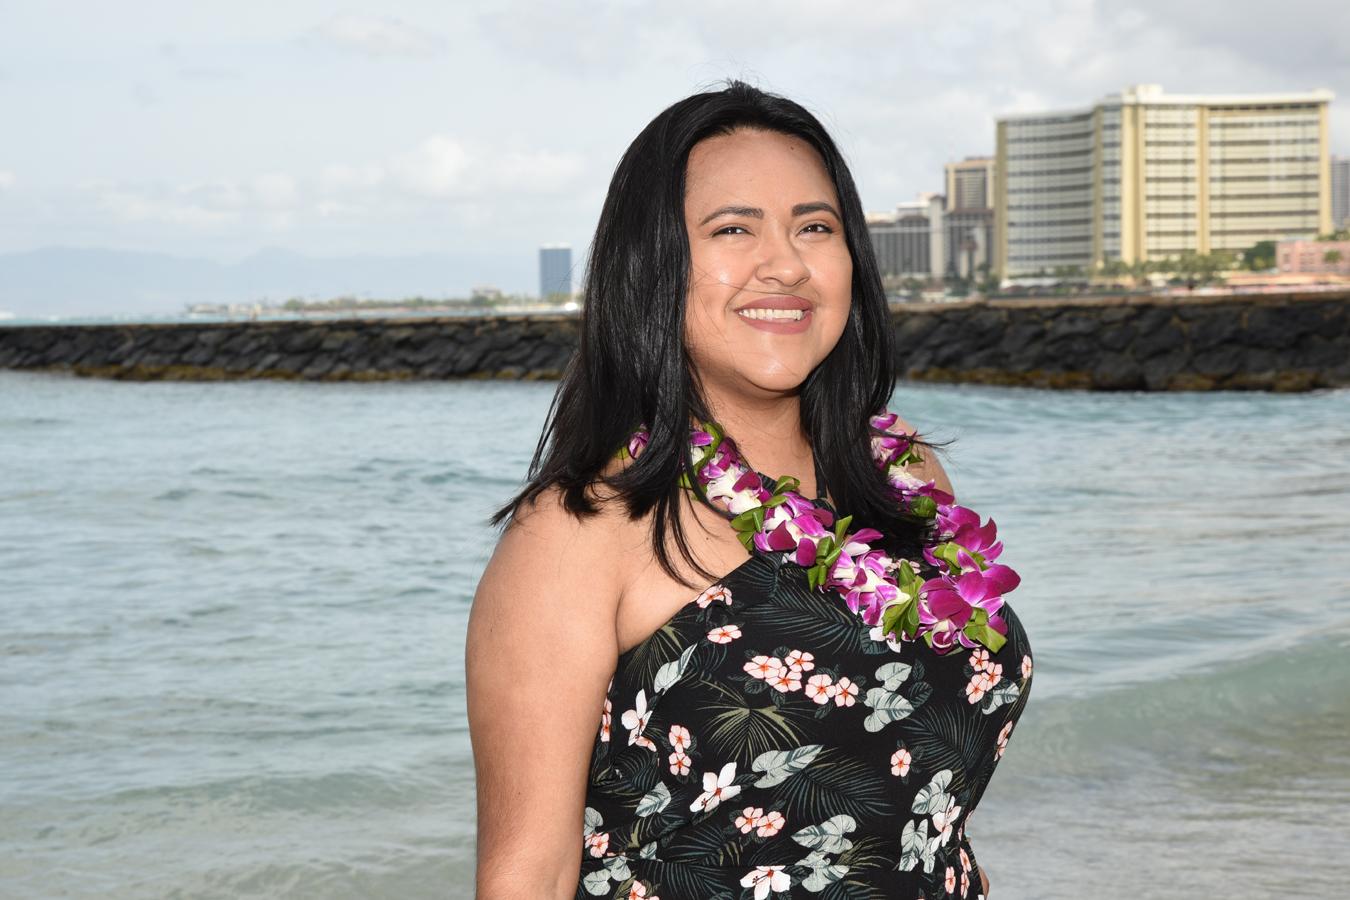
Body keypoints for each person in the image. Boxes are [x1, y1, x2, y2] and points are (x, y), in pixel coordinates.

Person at [467, 82, 1031, 900]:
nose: (787, 265)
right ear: (653, 264)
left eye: (815, 227)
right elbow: (529, 876)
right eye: (734, 228)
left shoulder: (904, 477)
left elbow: (920, 821)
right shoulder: (582, 530)